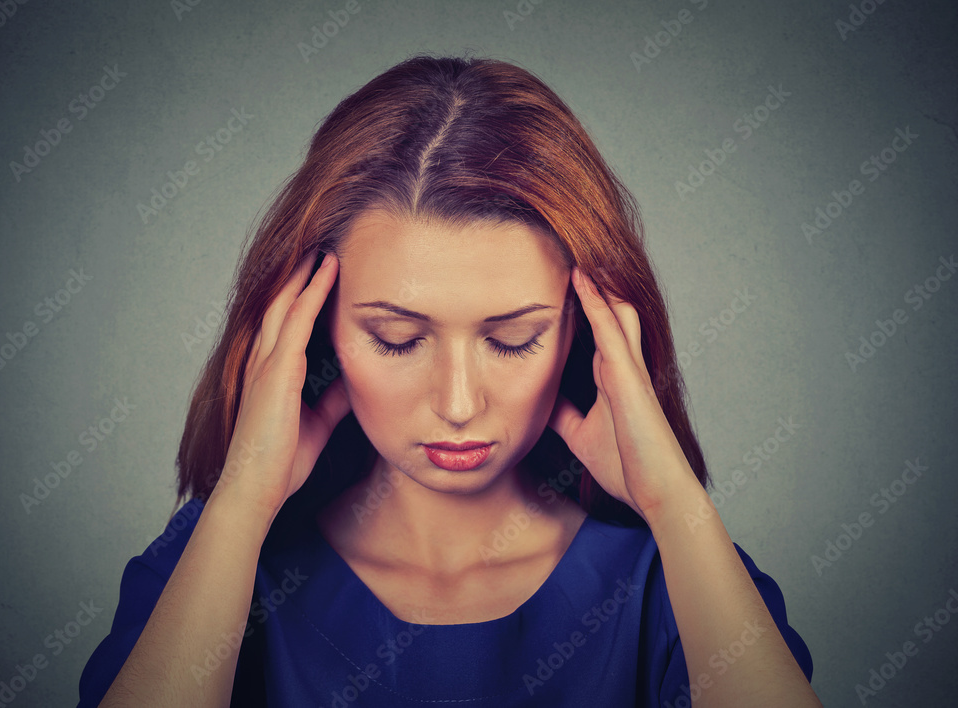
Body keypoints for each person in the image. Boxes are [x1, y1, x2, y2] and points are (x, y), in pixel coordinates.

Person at [77, 54, 821, 707]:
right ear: (311, 331)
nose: (459, 406)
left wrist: (672, 501)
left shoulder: (673, 579)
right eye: (398, 340)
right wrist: (242, 498)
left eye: (513, 339)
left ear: (581, 335)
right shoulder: (213, 565)